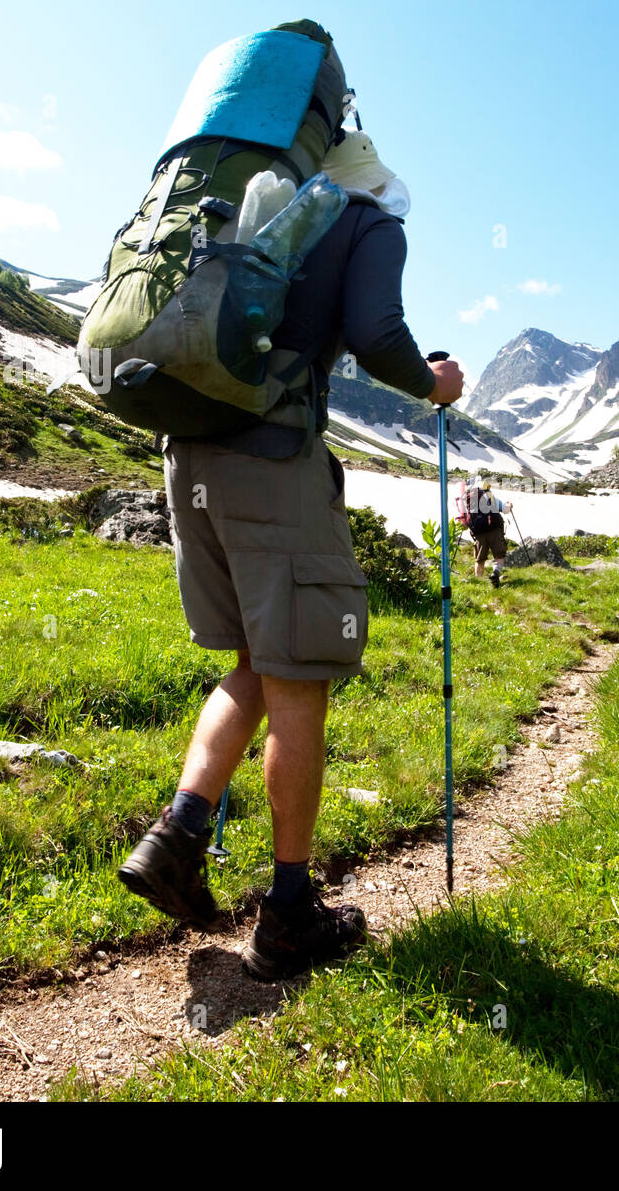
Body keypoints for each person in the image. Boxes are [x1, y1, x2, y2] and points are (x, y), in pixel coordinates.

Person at [118, 121, 464, 982]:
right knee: (301, 675)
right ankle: (288, 914)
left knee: (254, 661)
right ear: (376, 178)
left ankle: (178, 837)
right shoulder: (368, 218)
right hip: (272, 460)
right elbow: (379, 335)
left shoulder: (243, 203)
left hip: (188, 454)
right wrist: (435, 383)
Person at [460, 475, 509, 587]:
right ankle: (495, 573)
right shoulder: (487, 494)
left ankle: (479, 584)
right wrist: (509, 505)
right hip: (494, 529)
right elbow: (504, 509)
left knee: (480, 560)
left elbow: (464, 518)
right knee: (499, 555)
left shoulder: (466, 498)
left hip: (478, 533)